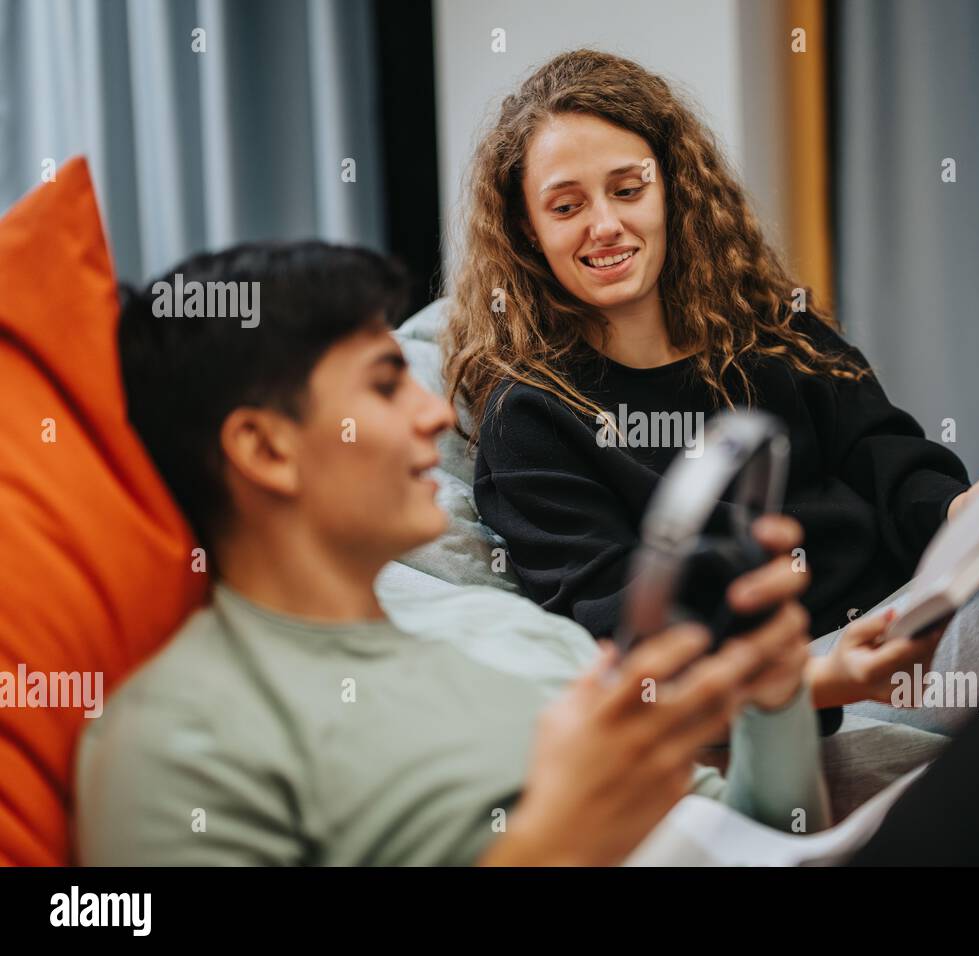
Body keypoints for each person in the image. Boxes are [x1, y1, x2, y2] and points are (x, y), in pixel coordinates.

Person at [444, 50, 979, 729]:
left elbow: (888, 457)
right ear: (526, 233)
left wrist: (975, 509)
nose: (605, 225)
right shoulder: (533, 418)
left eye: (628, 188)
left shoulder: (764, 327)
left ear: (672, 191)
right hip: (809, 693)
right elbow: (625, 625)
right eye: (566, 206)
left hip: (918, 608)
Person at [76, 241, 870, 866]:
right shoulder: (182, 741)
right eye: (387, 385)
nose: (434, 415)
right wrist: (551, 843)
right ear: (265, 449)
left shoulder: (516, 636)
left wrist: (772, 702)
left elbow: (763, 840)